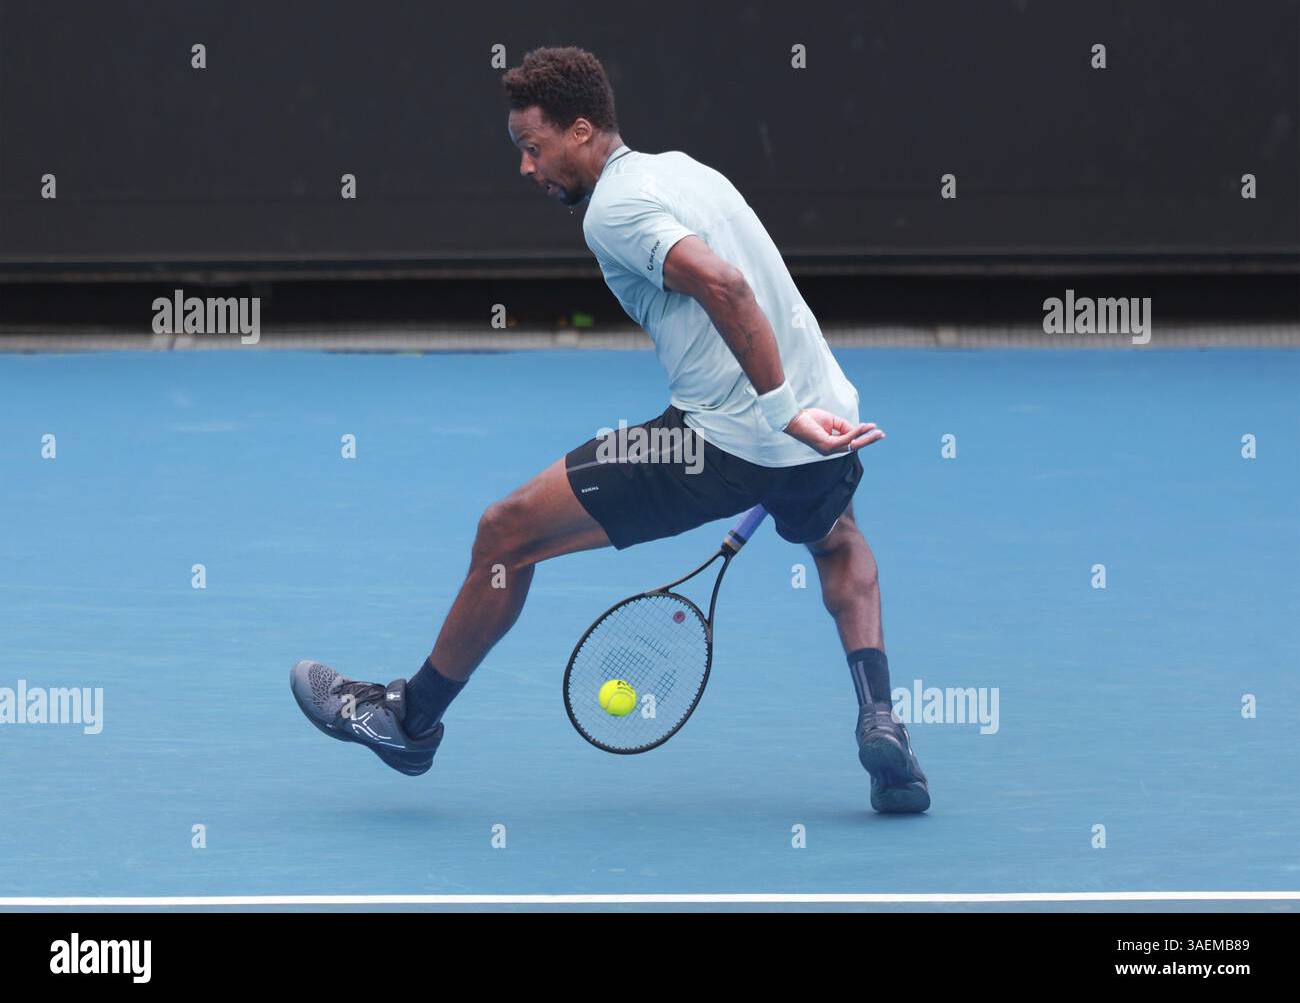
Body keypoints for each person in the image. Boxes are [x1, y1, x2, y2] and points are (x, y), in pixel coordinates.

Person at [291, 46, 929, 813]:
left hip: (725, 438)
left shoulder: (614, 211)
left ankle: (409, 721)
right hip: (830, 423)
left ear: (583, 130)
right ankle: (880, 716)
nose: (527, 170)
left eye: (533, 148)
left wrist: (775, 412)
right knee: (839, 542)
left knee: (505, 533)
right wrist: (797, 418)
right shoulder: (690, 172)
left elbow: (725, 285)